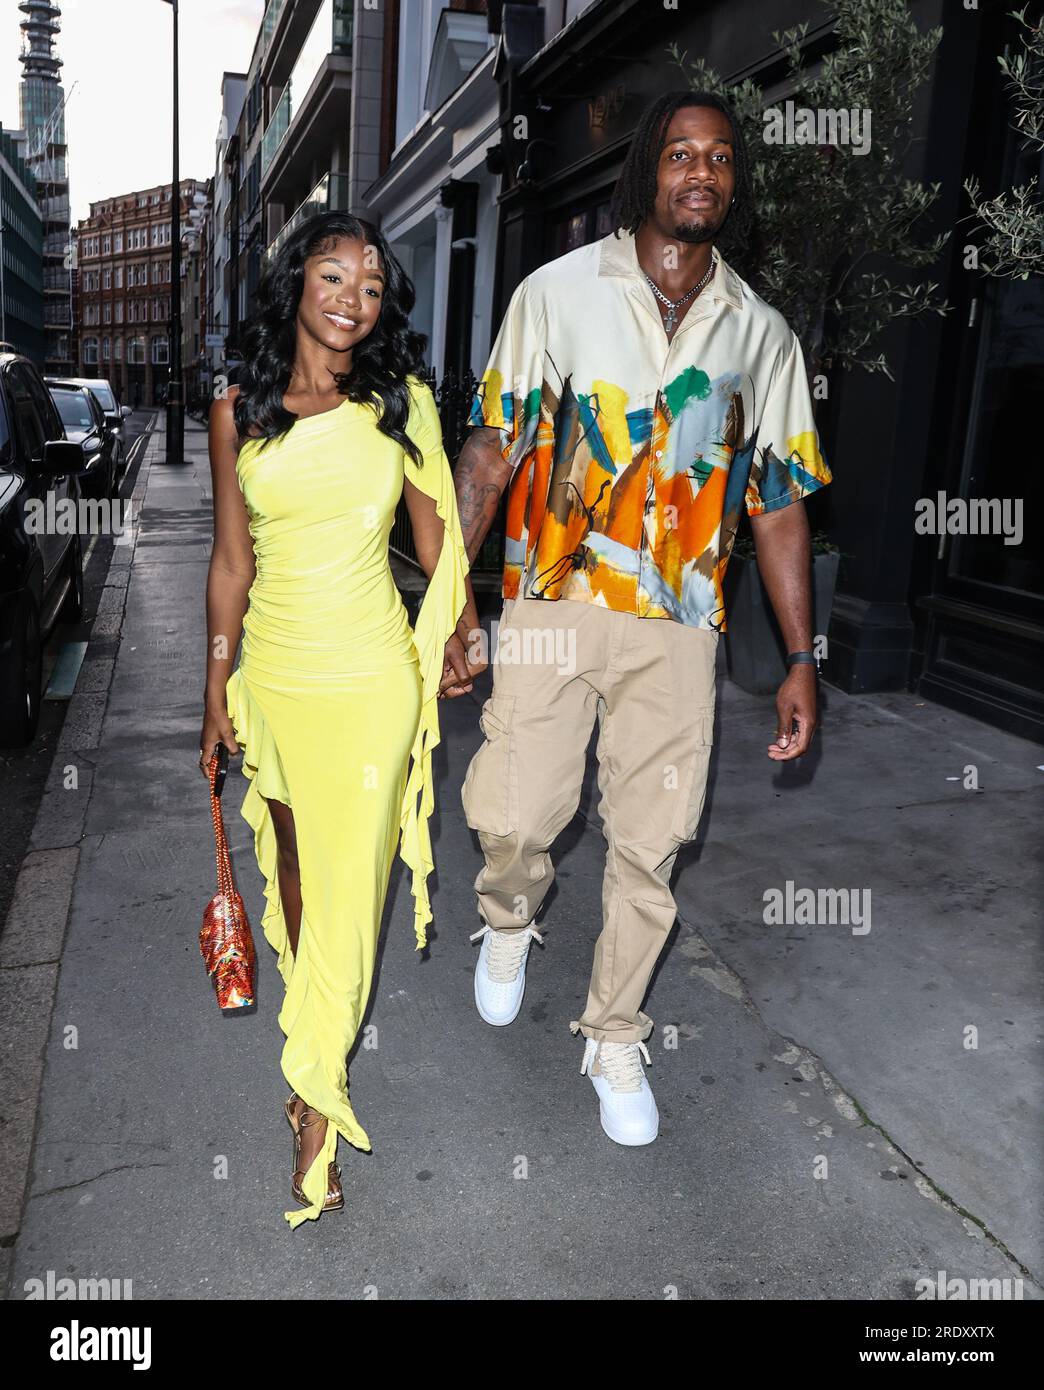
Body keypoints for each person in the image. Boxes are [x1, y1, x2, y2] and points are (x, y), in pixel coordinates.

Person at [441, 92, 833, 1147]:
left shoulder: (764, 335)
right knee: (518, 814)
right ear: (645, 173)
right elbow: (491, 450)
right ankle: (508, 918)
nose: (698, 173)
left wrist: (801, 656)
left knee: (653, 842)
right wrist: (449, 601)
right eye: (678, 155)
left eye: (717, 158)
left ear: (733, 180)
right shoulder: (557, 294)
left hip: (683, 620)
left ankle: (615, 1031)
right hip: (555, 602)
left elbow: (782, 500)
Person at [200, 211, 470, 1226]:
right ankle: (317, 1045)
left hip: (368, 682)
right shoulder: (242, 411)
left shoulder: (398, 403)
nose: (353, 295)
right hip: (272, 676)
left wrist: (459, 630)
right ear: (296, 284)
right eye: (333, 274)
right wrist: (211, 692)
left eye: (369, 281)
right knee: (304, 883)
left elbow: (436, 527)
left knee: (352, 890)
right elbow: (232, 564)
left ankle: (316, 1104)